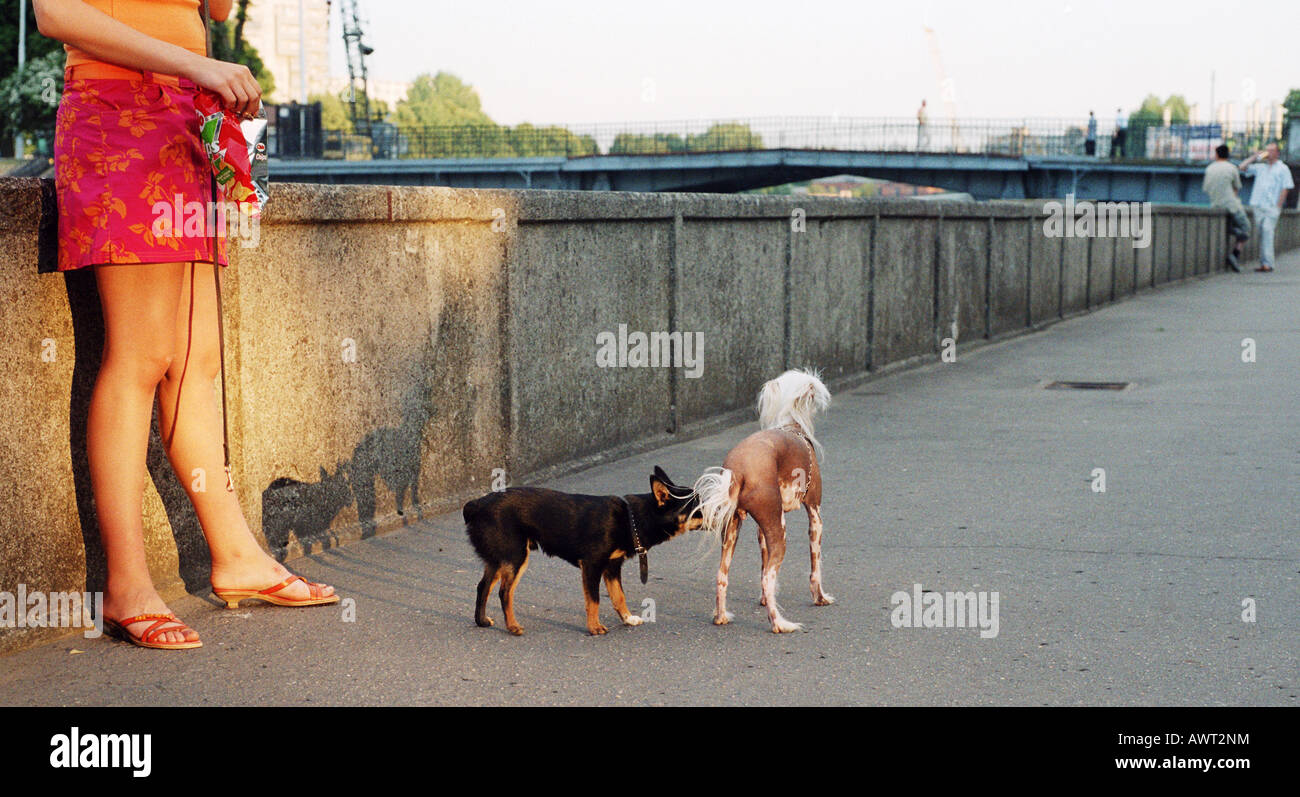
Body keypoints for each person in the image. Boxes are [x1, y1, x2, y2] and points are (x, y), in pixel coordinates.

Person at [34, 0, 336, 650]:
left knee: (198, 358)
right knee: (140, 354)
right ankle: (126, 584)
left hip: (188, 119)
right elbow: (54, 14)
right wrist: (198, 64)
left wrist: (203, 74)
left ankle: (235, 554)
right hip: (117, 111)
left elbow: (217, 7)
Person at [1238, 141, 1294, 273]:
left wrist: (1278, 206)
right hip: (1258, 204)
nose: (1268, 153)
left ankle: (1268, 263)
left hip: (1271, 206)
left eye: (1271, 150)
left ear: (1277, 153)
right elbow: (1242, 167)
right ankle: (1264, 262)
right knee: (1261, 233)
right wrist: (1254, 157)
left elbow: (1286, 187)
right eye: (1266, 150)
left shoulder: (1282, 168)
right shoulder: (1260, 167)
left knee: (1268, 231)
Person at [1203, 144, 1251, 271]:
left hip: (1215, 204)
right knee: (1246, 229)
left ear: (1216, 154)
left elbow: (1206, 189)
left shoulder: (1209, 169)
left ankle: (1234, 232)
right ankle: (1234, 255)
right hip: (1231, 205)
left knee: (1228, 228)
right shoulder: (1231, 168)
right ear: (1228, 155)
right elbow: (1236, 188)